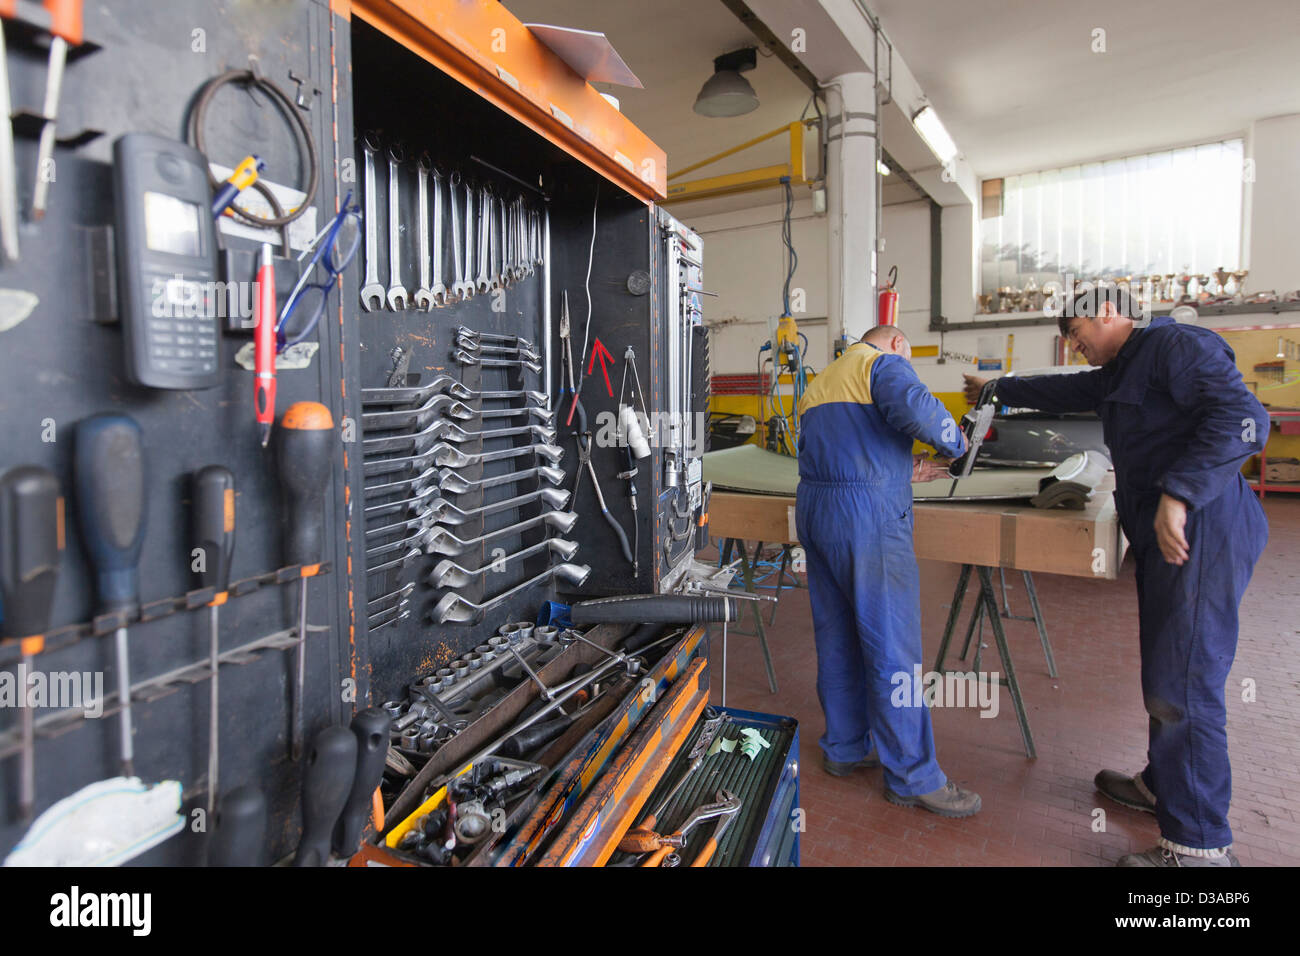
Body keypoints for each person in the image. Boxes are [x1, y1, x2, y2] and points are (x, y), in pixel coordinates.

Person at [964, 287, 1268, 867]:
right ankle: (1165, 787)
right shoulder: (1117, 370)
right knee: (1167, 666)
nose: (1073, 344)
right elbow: (1057, 387)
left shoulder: (1173, 345)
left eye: (1076, 330)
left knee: (1183, 683)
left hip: (1200, 534)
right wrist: (997, 388)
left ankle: (1200, 846)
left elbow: (1246, 420)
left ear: (1108, 311)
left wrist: (1179, 495)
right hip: (1169, 539)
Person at [796, 324, 981, 817]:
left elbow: (843, 450)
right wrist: (957, 444)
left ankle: (844, 748)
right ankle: (913, 776)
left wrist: (907, 469)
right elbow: (919, 410)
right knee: (892, 645)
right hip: (868, 518)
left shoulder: (821, 381)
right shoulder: (883, 365)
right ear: (897, 343)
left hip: (816, 509)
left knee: (837, 636)